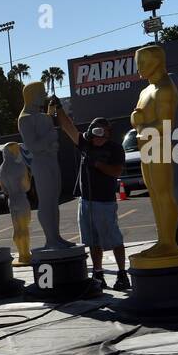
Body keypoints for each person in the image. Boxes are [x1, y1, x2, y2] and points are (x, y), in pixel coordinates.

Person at [52, 104, 129, 290]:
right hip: (86, 201)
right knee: (92, 241)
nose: (99, 138)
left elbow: (116, 171)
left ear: (108, 133)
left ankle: (122, 274)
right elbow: (68, 127)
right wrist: (59, 109)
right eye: (95, 134)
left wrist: (98, 165)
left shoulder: (116, 149)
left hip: (105, 202)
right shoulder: (85, 145)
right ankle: (98, 273)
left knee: (114, 239)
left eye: (102, 133)